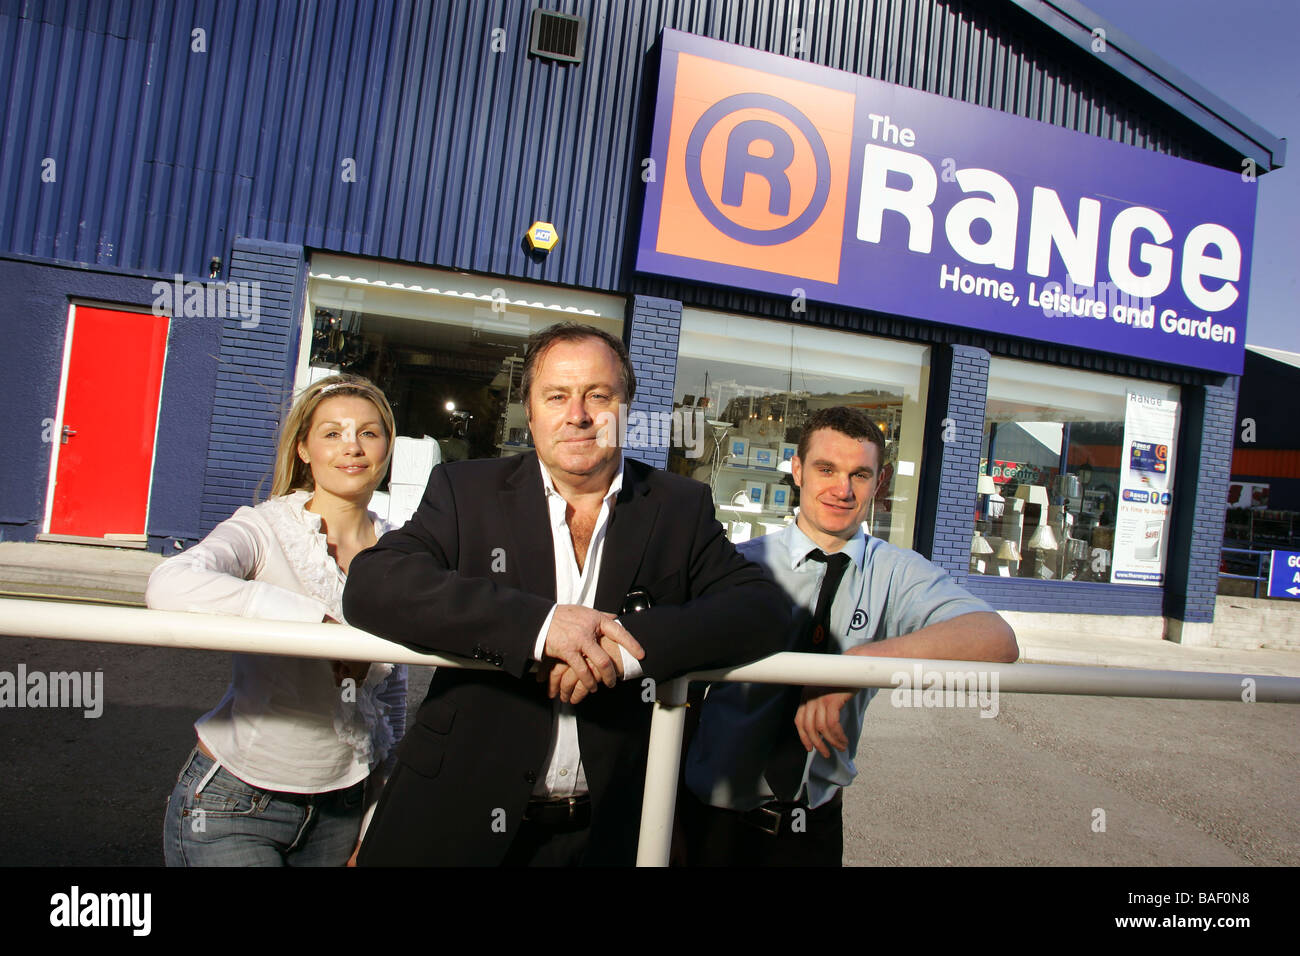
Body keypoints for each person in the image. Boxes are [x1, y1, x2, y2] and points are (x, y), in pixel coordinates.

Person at [343, 322, 790, 866]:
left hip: (604, 835)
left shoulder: (679, 506)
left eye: (598, 395)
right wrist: (540, 627)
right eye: (556, 396)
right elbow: (375, 584)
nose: (577, 414)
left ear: (626, 408)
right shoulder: (467, 491)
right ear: (530, 412)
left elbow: (760, 609)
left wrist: (623, 649)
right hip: (453, 819)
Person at [683, 406, 1019, 866]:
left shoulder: (897, 572)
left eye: (860, 474)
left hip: (812, 833)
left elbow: (996, 639)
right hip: (710, 827)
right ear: (797, 470)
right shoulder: (737, 563)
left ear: (879, 485)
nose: (843, 490)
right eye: (826, 469)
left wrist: (856, 666)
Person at [147, 374, 407, 866]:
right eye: (332, 433)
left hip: (342, 811)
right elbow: (169, 583)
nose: (351, 447)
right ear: (304, 449)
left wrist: (373, 821)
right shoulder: (263, 526)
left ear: (386, 447)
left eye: (369, 433)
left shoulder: (403, 549)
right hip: (234, 805)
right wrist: (318, 627)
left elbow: (389, 703)